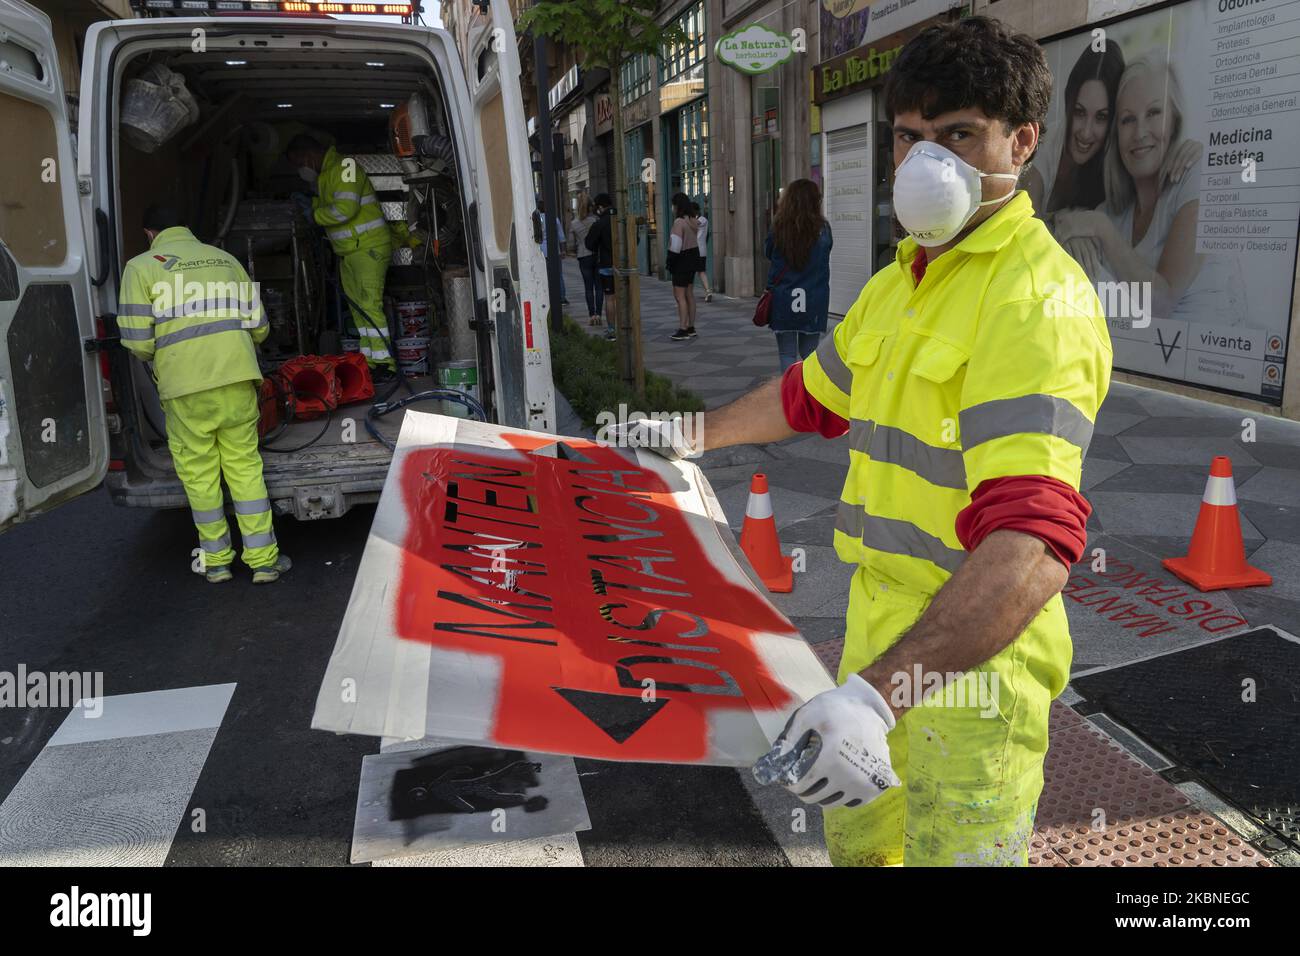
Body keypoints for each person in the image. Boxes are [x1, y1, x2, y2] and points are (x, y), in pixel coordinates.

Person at [632, 16, 1111, 866]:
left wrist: (883, 697)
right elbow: (808, 398)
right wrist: (685, 436)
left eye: (958, 136)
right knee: (859, 855)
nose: (926, 164)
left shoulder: (1036, 302)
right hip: (873, 641)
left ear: (1022, 142)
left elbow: (1033, 543)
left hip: (967, 675)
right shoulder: (902, 281)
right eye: (909, 138)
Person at [116, 205, 291, 584]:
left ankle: (217, 563)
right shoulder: (225, 259)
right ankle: (263, 561)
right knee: (244, 466)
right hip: (236, 377)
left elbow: (136, 342)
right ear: (186, 227)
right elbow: (260, 327)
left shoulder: (140, 267)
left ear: (150, 234)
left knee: (199, 474)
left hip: (185, 386)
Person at [1051, 53, 1210, 319]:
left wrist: (1100, 230)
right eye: (1127, 120)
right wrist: (1069, 225)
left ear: (1175, 122)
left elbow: (1161, 302)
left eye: (1154, 113)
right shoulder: (1111, 213)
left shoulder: (1195, 177)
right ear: (1116, 133)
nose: (1139, 133)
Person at [285, 134, 395, 378]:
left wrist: (314, 215)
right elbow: (331, 208)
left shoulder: (345, 167)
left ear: (310, 155)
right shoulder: (325, 176)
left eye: (299, 163)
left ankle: (386, 364)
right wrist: (312, 204)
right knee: (358, 309)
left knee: (369, 306)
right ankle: (371, 362)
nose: (299, 170)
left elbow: (345, 209)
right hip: (349, 252)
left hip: (368, 248)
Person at [763, 179, 833, 371]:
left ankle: (790, 394)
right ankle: (809, 394)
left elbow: (768, 253)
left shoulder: (778, 228)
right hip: (813, 299)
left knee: (786, 353)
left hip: (784, 298)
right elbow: (826, 253)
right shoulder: (823, 230)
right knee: (810, 353)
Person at [667, 192, 701, 341]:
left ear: (677, 206)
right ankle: (691, 327)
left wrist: (670, 262)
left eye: (673, 204)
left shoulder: (679, 223)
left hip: (681, 260)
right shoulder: (692, 221)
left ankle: (683, 328)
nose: (672, 208)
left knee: (679, 296)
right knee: (689, 295)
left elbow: (675, 246)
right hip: (693, 259)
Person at [584, 193, 617, 341]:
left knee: (610, 299)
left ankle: (612, 330)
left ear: (600, 207)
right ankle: (627, 327)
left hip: (606, 265)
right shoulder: (622, 219)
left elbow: (589, 244)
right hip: (625, 266)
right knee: (625, 297)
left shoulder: (599, 223)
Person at [571, 193, 603, 326]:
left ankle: (591, 315)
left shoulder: (574, 223)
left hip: (583, 256)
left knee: (588, 287)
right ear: (591, 207)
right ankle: (599, 315)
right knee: (599, 287)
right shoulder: (596, 220)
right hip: (597, 254)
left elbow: (571, 243)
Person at [537, 198, 568, 306]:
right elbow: (561, 236)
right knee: (558, 275)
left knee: (543, 275)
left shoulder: (535, 220)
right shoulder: (554, 219)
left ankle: (546, 298)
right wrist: (563, 250)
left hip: (541, 252)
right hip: (555, 251)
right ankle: (562, 297)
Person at [691, 201, 713, 301]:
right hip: (694, 250)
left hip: (699, 250)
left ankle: (708, 291)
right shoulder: (694, 220)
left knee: (700, 272)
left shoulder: (702, 219)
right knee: (699, 272)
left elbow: (695, 224)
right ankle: (707, 292)